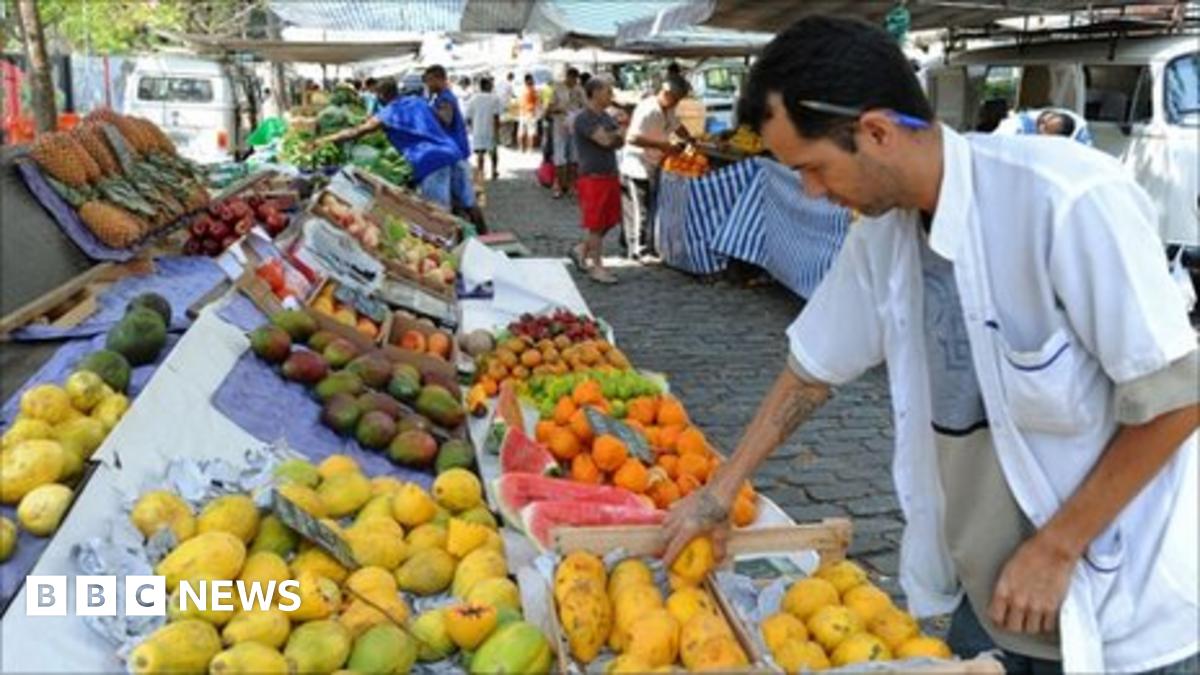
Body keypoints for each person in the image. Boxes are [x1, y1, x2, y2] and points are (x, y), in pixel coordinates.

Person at [663, 15, 1198, 675]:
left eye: (813, 168)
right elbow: (812, 370)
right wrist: (722, 490)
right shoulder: (881, 234)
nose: (811, 192)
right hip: (994, 598)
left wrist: (1059, 547)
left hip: (1122, 608)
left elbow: (1178, 397)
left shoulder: (1066, 201)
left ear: (879, 132)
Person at [310, 78, 464, 212]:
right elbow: (440, 120)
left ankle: (458, 244)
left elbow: (356, 132)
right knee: (465, 205)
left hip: (430, 161)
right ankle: (482, 238)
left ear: (381, 95)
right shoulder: (418, 101)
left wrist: (325, 140)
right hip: (452, 151)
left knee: (439, 211)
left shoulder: (388, 114)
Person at [619, 74, 693, 259]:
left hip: (653, 163)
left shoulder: (669, 109)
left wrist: (692, 139)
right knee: (640, 210)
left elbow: (677, 127)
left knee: (646, 207)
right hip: (636, 165)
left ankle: (633, 242)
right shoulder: (648, 109)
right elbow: (631, 137)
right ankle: (638, 249)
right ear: (666, 93)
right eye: (676, 98)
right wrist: (663, 146)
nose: (677, 103)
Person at [570, 77, 624, 285]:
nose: (611, 94)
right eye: (607, 91)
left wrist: (616, 135)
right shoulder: (585, 118)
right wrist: (617, 134)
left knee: (609, 220)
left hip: (609, 173)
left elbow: (617, 143)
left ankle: (581, 249)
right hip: (593, 176)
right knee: (596, 223)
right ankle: (597, 267)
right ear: (594, 93)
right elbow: (606, 140)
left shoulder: (606, 117)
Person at [423, 65, 484, 228]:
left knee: (466, 198)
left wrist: (427, 110)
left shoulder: (445, 99)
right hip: (453, 152)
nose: (427, 85)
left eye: (429, 81)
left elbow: (446, 119)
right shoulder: (441, 97)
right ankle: (472, 232)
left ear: (438, 79)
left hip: (454, 153)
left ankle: (482, 232)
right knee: (461, 198)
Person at [547, 67, 586, 199]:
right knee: (559, 157)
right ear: (567, 77)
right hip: (560, 126)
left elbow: (585, 106)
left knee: (573, 157)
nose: (573, 81)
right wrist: (559, 109)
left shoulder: (580, 90)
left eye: (575, 79)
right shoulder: (557, 89)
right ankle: (558, 185)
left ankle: (570, 185)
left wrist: (578, 113)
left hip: (574, 127)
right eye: (571, 78)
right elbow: (549, 108)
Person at [466, 77, 503, 181]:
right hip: (490, 128)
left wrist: (472, 128)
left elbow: (468, 116)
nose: (492, 86)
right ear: (487, 86)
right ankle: (494, 171)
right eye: (491, 84)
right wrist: (497, 130)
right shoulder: (494, 98)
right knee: (493, 151)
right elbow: (496, 116)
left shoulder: (473, 99)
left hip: (478, 129)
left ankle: (481, 173)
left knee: (480, 153)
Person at [518, 73, 540, 153]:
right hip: (530, 112)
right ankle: (530, 149)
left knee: (521, 131)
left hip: (522, 112)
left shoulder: (522, 90)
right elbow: (537, 101)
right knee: (531, 132)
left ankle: (521, 148)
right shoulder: (532, 90)